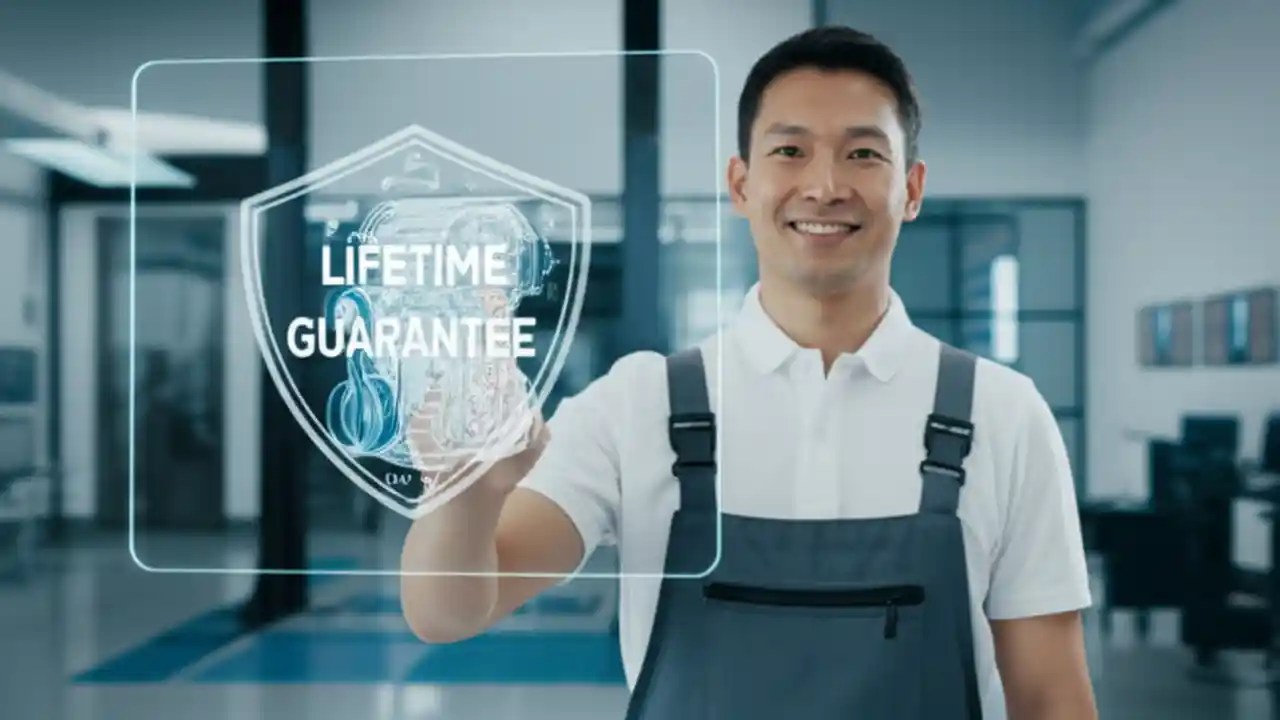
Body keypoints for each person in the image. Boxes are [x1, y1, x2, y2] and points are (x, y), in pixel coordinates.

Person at [401, 25, 1098, 719]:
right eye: (790, 150)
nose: (824, 186)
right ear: (740, 183)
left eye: (863, 153)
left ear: (911, 189)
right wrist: (463, 491)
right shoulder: (635, 406)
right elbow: (449, 611)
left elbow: (1052, 698)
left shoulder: (1002, 414)